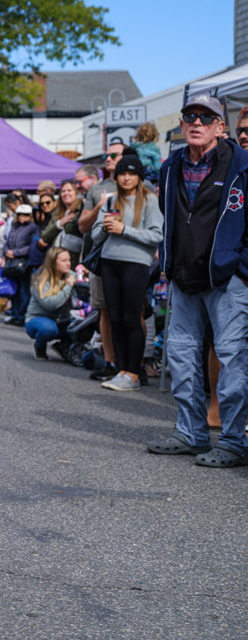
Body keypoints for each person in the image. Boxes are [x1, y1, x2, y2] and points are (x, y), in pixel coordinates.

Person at [148, 94, 248, 466]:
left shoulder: (242, 164)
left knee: (232, 358)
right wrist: (170, 264)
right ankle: (191, 433)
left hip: (227, 280)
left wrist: (241, 268)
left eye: (206, 118)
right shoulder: (171, 166)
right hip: (183, 277)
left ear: (221, 127)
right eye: (190, 115)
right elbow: (171, 215)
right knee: (181, 355)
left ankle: (234, 441)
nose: (197, 122)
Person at [92, 154, 162, 392]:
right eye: (122, 173)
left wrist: (125, 230)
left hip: (136, 264)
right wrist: (104, 226)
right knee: (116, 318)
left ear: (139, 177)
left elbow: (157, 235)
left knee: (133, 319)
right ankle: (122, 370)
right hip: (109, 262)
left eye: (132, 173)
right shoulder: (112, 200)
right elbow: (94, 236)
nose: (127, 178)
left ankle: (133, 372)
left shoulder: (151, 201)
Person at [77, 146, 124, 381]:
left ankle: (136, 364)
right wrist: (100, 207)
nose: (108, 158)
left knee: (134, 312)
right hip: (101, 258)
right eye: (107, 155)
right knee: (105, 311)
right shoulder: (97, 189)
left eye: (114, 155)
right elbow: (82, 226)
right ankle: (110, 361)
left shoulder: (142, 186)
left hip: (129, 257)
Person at [25, 247, 76, 361]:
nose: (68, 263)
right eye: (64, 261)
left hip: (62, 321)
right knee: (48, 330)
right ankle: (39, 346)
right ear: (53, 263)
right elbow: (51, 304)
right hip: (38, 319)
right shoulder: (41, 281)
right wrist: (68, 286)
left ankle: (63, 345)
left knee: (82, 325)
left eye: (69, 260)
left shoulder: (71, 275)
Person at [0, 204, 39, 326]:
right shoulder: (14, 225)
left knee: (24, 290)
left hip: (24, 262)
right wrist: (6, 252)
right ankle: (15, 314)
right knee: (14, 291)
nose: (22, 217)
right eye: (20, 214)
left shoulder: (33, 227)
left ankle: (22, 316)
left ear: (30, 216)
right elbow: (7, 241)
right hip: (12, 261)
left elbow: (31, 245)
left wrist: (15, 252)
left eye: (26, 214)